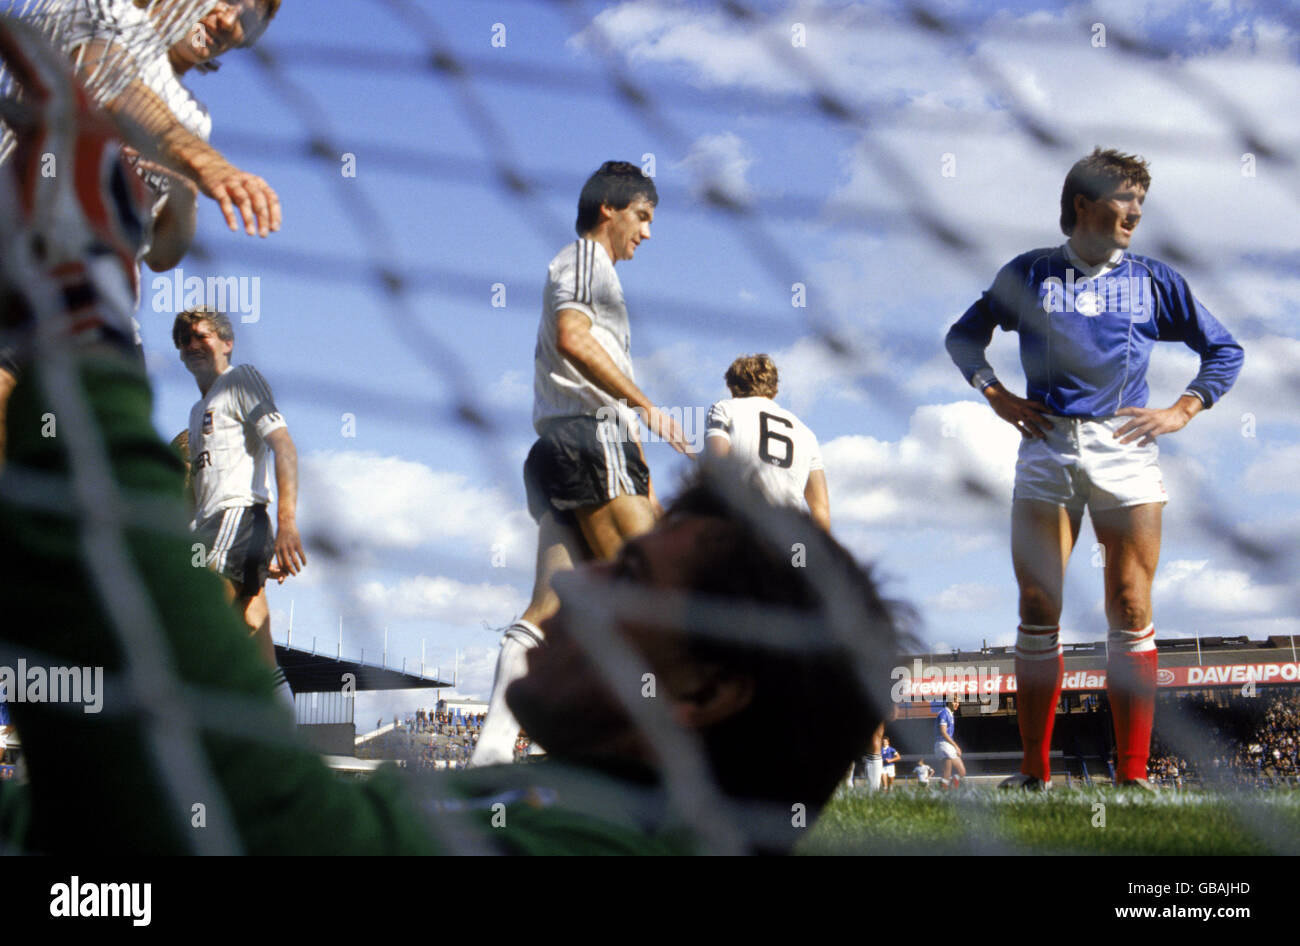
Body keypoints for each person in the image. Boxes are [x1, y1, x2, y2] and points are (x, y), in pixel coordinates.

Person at [945, 148, 1243, 791]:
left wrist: (1183, 410)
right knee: (1037, 603)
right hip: (1047, 446)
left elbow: (1224, 349)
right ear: (1083, 203)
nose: (1136, 211)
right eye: (1123, 197)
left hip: (1125, 448)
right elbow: (963, 337)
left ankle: (1131, 778)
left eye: (1142, 200)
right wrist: (994, 393)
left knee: (1130, 604)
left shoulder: (1155, 280)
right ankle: (1032, 773)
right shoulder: (1028, 273)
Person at [471, 161, 691, 766]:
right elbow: (573, 336)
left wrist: (642, 475)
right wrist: (645, 406)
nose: (646, 233)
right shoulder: (589, 260)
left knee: (546, 608)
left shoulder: (581, 268)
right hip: (591, 443)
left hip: (561, 450)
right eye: (642, 217)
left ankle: (490, 757)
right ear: (609, 210)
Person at [175, 305, 304, 701]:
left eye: (202, 336)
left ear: (227, 343)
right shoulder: (198, 412)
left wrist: (285, 524)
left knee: (192, 618)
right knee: (248, 626)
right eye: (184, 340)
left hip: (236, 516)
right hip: (224, 529)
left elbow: (282, 445)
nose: (192, 344)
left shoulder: (241, 378)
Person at [705, 353, 829, 531]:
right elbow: (820, 509)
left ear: (732, 387)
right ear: (775, 388)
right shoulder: (806, 433)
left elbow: (717, 464)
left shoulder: (725, 408)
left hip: (745, 525)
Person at [935, 697, 964, 788]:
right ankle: (943, 794)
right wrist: (956, 746)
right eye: (955, 701)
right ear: (949, 701)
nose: (957, 704)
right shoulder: (944, 713)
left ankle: (948, 787)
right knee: (946, 773)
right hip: (943, 744)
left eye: (958, 702)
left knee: (962, 772)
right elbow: (943, 732)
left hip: (948, 745)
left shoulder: (950, 714)